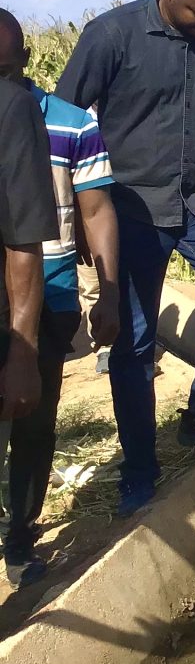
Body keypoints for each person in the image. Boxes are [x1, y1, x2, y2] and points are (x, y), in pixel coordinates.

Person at [54, 0, 195, 517]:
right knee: (135, 342)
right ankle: (140, 469)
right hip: (131, 207)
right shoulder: (111, 36)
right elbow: (63, 122)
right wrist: (73, 216)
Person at [0, 10, 119, 585]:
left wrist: (109, 292)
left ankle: (19, 537)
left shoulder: (70, 124)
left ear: (25, 61)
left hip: (48, 294)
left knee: (33, 420)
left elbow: (95, 210)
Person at [0, 73, 58, 572]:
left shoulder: (13, 107)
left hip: (24, 315)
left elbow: (23, 242)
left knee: (31, 435)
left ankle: (17, 542)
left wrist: (23, 348)